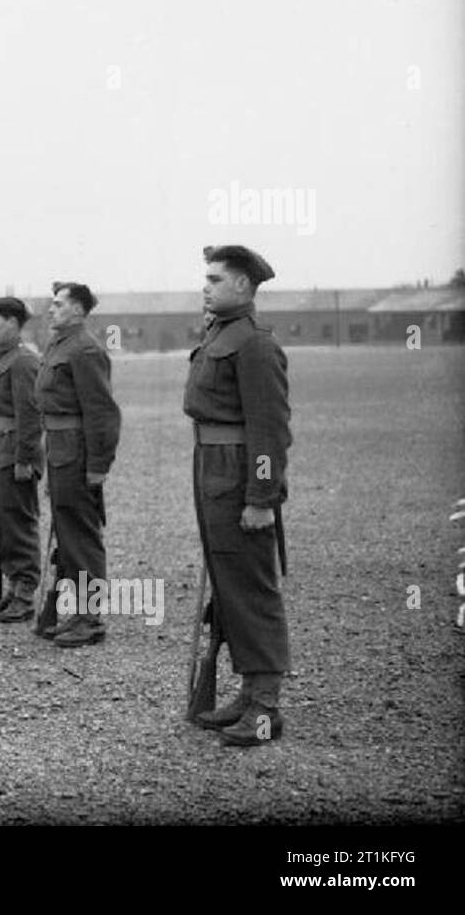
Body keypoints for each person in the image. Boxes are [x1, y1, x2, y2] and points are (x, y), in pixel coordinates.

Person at [184, 245, 291, 746]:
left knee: (251, 587)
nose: (205, 286)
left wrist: (261, 498)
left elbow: (269, 430)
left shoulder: (253, 344)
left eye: (215, 279)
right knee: (229, 585)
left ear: (244, 286)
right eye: (205, 278)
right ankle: (250, 693)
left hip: (237, 474)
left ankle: (266, 705)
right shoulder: (218, 335)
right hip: (211, 468)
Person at [34, 282, 121, 647]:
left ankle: (90, 618)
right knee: (67, 533)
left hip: (77, 452)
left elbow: (101, 411)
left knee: (82, 536)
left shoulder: (85, 349)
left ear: (79, 311)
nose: (50, 309)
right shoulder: (60, 344)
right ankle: (76, 610)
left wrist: (98, 464)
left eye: (58, 304)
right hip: (59, 449)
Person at [0, 297, 45, 622]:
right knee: (1, 523)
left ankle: (24, 592)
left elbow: (30, 415)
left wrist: (25, 458)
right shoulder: (2, 359)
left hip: (14, 455)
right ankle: (12, 585)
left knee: (18, 524)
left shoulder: (23, 361)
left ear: (13, 323)